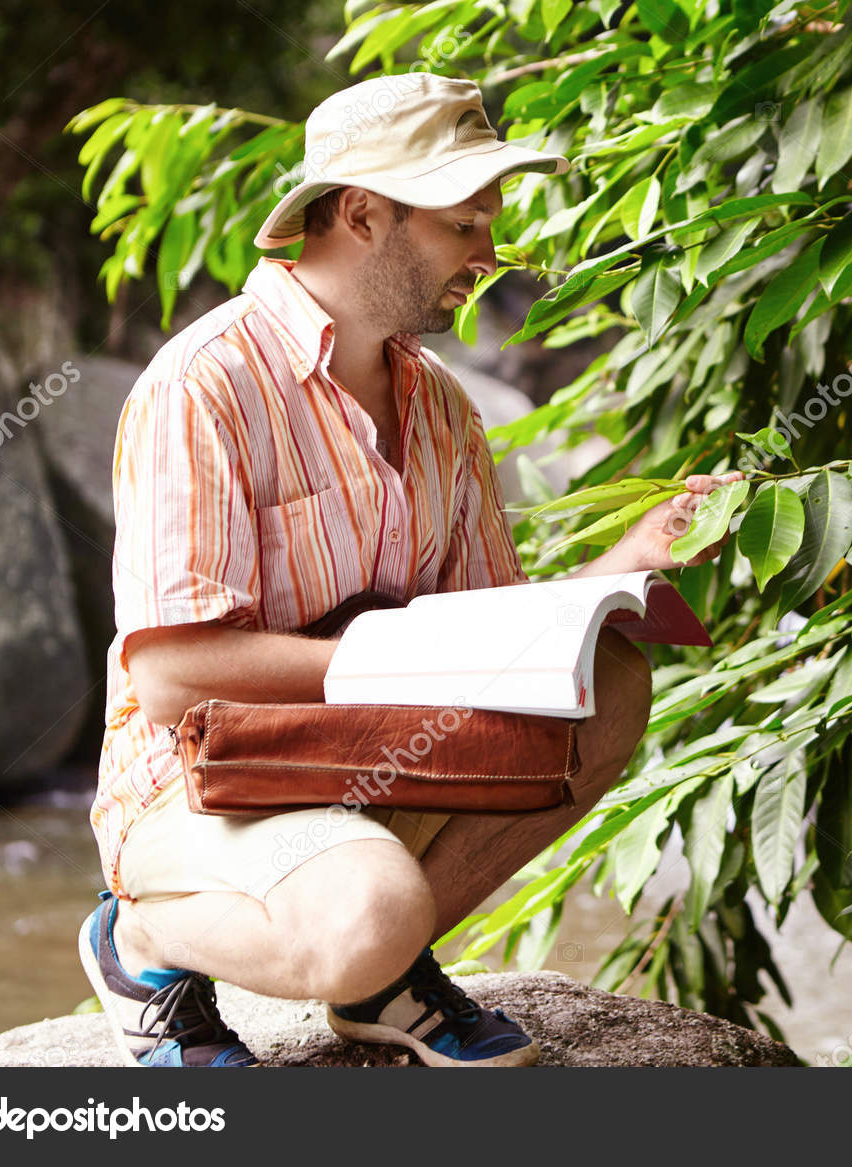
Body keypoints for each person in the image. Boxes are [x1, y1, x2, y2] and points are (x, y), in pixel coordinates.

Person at [78, 72, 742, 1068]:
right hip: (205, 784)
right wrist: (389, 660)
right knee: (374, 911)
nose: (488, 255)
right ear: (360, 214)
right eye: (463, 225)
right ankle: (138, 940)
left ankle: (377, 974)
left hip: (372, 760)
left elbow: (487, 636)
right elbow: (173, 677)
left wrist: (628, 560)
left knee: (607, 685)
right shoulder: (202, 385)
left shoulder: (442, 406)